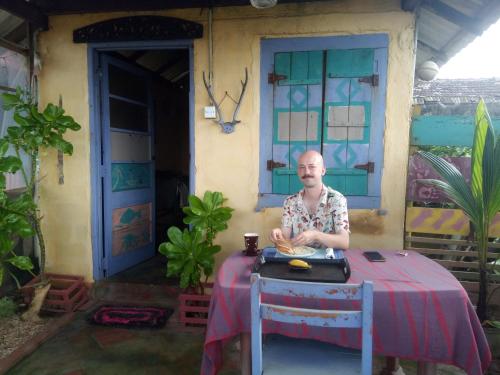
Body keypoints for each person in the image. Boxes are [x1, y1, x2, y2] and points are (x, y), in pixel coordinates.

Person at [270, 150, 350, 249]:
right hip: (298, 261)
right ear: (298, 172)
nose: (306, 172)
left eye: (312, 167)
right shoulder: (290, 202)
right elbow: (284, 242)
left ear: (323, 170)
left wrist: (316, 235)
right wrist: (278, 236)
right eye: (302, 167)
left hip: (328, 262)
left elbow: (344, 242)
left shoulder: (337, 200)